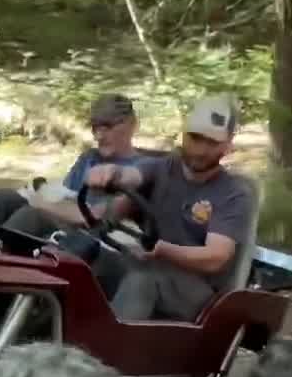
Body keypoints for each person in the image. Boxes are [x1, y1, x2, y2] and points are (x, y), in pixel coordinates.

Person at [86, 95, 254, 320]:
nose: (200, 150)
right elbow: (132, 175)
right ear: (184, 134)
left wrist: (164, 250)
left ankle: (108, 342)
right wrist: (112, 173)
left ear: (227, 145)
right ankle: (55, 333)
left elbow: (215, 257)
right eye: (195, 138)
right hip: (152, 265)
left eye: (212, 143)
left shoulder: (232, 193)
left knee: (144, 280)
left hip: (197, 290)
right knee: (89, 261)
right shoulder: (164, 168)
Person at [0, 93, 145, 236]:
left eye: (107, 127)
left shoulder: (143, 169)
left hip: (100, 236)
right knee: (0, 199)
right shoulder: (89, 158)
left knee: (31, 216)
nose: (98, 136)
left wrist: (42, 204)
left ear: (132, 125)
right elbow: (63, 194)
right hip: (67, 219)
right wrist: (43, 199)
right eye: (95, 128)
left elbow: (93, 216)